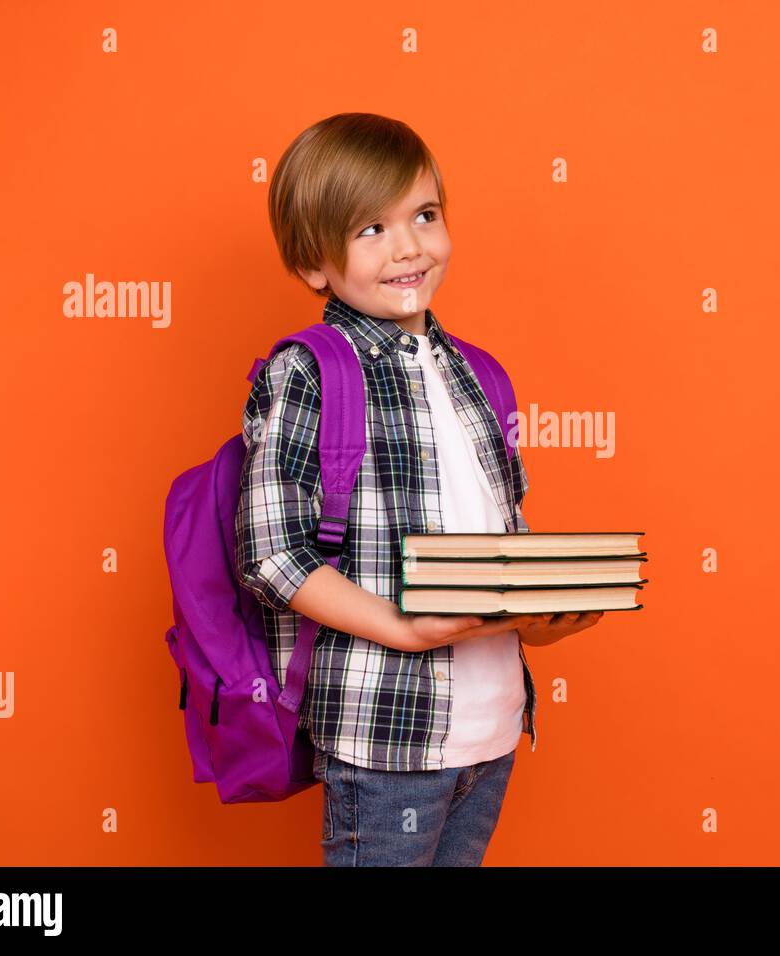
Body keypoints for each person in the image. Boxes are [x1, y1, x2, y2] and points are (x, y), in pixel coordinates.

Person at [235, 113, 603, 865]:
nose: (409, 247)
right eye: (371, 228)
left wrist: (543, 614)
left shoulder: (479, 374)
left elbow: (505, 543)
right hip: (386, 736)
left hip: (492, 729)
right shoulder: (309, 372)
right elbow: (272, 555)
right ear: (314, 263)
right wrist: (403, 627)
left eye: (425, 216)